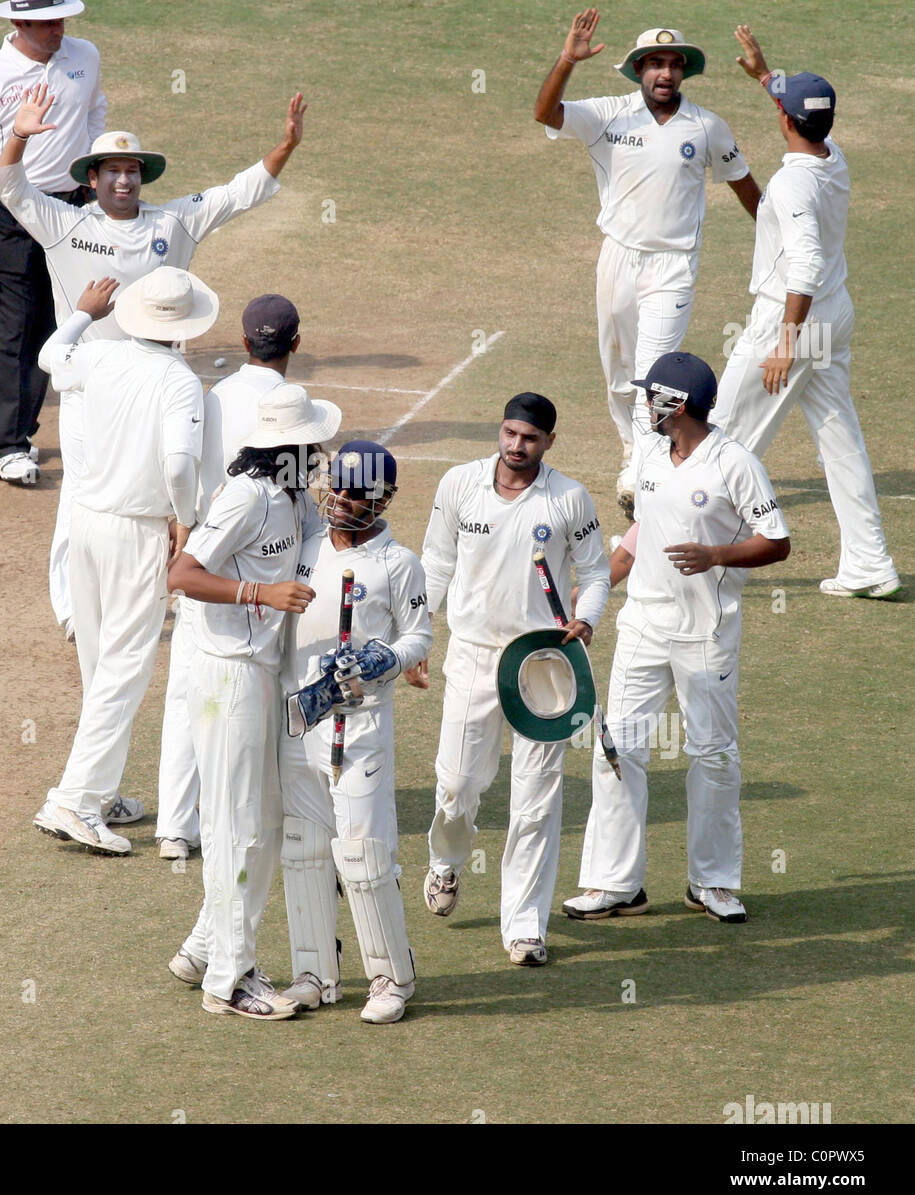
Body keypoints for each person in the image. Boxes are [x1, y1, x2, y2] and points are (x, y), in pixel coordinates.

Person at [0, 83, 308, 639]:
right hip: (89, 387)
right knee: (81, 497)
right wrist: (19, 133)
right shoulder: (66, 223)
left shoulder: (171, 224)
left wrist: (285, 146)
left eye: (131, 170)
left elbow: (239, 193)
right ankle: (73, 611)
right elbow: (7, 185)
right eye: (111, 170)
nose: (123, 180)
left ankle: (167, 593)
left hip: (157, 386)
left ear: (142, 176)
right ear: (92, 179)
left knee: (161, 493)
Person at [563, 352, 790, 927]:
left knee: (712, 754)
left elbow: (777, 540)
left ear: (679, 404)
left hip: (705, 634)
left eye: (652, 395)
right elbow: (644, 529)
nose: (644, 404)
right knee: (617, 751)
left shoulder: (735, 464)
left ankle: (711, 883)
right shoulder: (651, 454)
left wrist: (716, 555)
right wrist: (593, 593)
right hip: (642, 625)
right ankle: (617, 885)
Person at [534, 9, 761, 517]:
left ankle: (642, 474)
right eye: (654, 63)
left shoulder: (707, 127)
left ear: (684, 71)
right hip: (617, 257)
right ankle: (631, 449)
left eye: (673, 64)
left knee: (653, 373)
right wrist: (567, 59)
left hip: (674, 264)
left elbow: (748, 189)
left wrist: (782, 243)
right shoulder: (608, 114)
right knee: (617, 371)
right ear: (638, 70)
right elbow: (545, 113)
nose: (664, 73)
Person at [166, 384, 341, 1020]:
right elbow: (181, 575)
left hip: (261, 675)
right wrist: (259, 596)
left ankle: (204, 947)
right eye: (313, 444)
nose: (321, 452)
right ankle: (228, 981)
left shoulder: (293, 498)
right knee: (240, 827)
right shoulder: (245, 497)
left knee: (256, 826)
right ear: (288, 447)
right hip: (229, 678)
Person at [30, 266, 215, 856]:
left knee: (99, 664)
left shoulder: (101, 356)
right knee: (124, 671)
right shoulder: (180, 381)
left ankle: (100, 792)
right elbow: (181, 466)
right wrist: (185, 520)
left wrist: (84, 312)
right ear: (184, 328)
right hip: (135, 533)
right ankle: (75, 800)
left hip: (83, 524)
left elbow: (48, 357)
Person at [420, 394, 611, 966]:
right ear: (498, 431)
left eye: (529, 437)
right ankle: (446, 862)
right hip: (474, 656)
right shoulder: (459, 485)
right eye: (509, 433)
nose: (516, 445)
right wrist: (419, 635)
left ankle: (525, 928)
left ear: (549, 441)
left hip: (544, 664)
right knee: (457, 786)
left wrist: (588, 617)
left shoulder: (569, 498)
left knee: (536, 803)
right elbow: (435, 563)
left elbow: (596, 572)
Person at [712, 28, 901, 600]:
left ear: (786, 121)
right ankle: (869, 564)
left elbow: (807, 263)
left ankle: (679, 540)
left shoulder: (793, 183)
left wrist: (786, 341)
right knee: (839, 440)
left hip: (790, 319)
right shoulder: (830, 153)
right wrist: (766, 75)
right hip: (835, 315)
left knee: (716, 433)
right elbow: (798, 107)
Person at [278, 441, 432, 1023]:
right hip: (298, 723)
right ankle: (314, 973)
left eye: (356, 494)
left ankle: (392, 979)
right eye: (335, 488)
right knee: (304, 850)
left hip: (359, 728)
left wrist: (385, 659)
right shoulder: (306, 542)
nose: (340, 500)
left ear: (384, 498)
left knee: (364, 856)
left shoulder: (399, 563)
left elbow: (419, 636)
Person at [0, 0, 107, 487]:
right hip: (12, 212)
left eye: (59, 20)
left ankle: (25, 429)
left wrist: (95, 176)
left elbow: (95, 112)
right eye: (44, 23)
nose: (56, 30)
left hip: (71, 208)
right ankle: (7, 446)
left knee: (60, 321)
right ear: (18, 23)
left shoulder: (85, 56)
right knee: (16, 322)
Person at [155, 294, 303, 860]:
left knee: (185, 694)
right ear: (296, 342)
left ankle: (175, 828)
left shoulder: (215, 397)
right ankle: (240, 815)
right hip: (256, 568)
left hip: (209, 553)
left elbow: (187, 466)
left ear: (243, 343)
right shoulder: (295, 402)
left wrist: (186, 523)